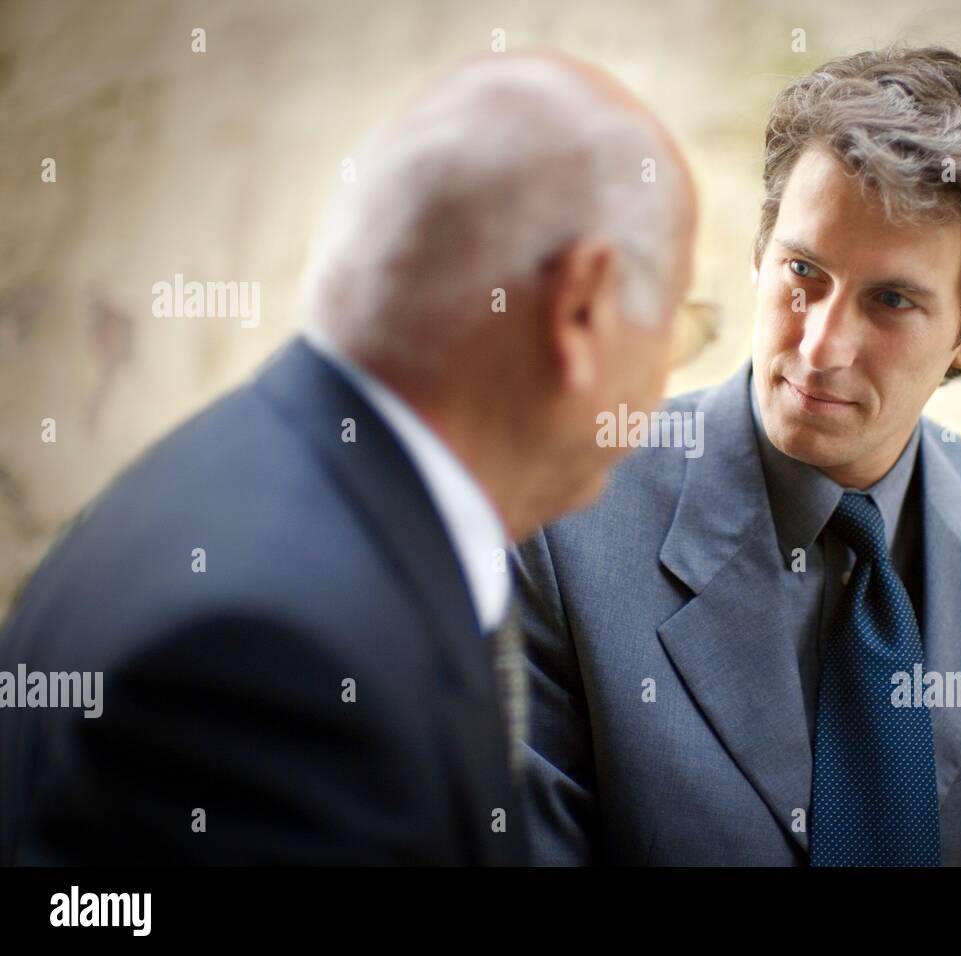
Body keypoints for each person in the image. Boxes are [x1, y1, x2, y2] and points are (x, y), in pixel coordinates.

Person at [0, 51, 696, 865]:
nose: (668, 379)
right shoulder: (271, 660)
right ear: (582, 307)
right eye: (681, 325)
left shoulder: (244, 484)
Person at [514, 46, 961, 866]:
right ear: (758, 253)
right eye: (803, 271)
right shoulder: (556, 513)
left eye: (890, 300)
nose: (819, 346)